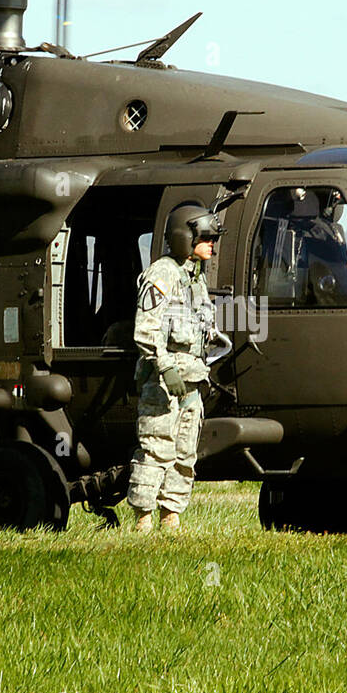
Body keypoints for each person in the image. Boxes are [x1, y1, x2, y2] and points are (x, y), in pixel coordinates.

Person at [126, 202, 227, 532]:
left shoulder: (195, 279)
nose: (212, 244)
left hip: (192, 380)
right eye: (207, 238)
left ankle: (171, 518)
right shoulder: (163, 274)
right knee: (156, 448)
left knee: (185, 452)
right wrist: (165, 367)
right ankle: (143, 520)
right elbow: (145, 329)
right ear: (186, 238)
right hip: (163, 382)